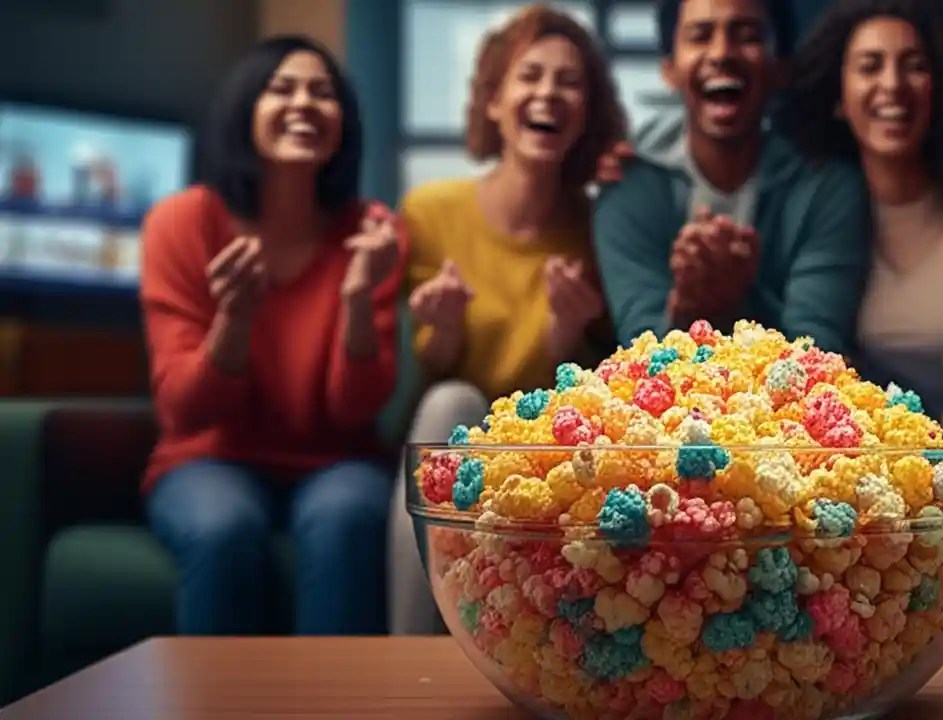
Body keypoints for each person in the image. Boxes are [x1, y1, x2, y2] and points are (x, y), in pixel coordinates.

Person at [140, 36, 404, 635]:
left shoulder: (372, 232)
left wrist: (357, 299)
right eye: (282, 89)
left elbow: (353, 409)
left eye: (323, 93)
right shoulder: (181, 223)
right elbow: (183, 411)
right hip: (209, 457)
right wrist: (233, 321)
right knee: (221, 528)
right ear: (245, 109)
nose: (304, 104)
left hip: (337, 460)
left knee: (348, 517)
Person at [388, 4, 625, 635]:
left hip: (546, 464)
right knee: (449, 399)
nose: (548, 93)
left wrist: (564, 339)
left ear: (588, 114)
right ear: (494, 101)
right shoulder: (431, 212)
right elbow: (423, 384)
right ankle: (410, 663)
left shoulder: (601, 230)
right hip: (452, 440)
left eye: (568, 82)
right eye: (531, 76)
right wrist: (440, 335)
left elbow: (586, 409)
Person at [776, 0, 943, 415]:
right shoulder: (814, 216)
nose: (893, 84)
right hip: (872, 454)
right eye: (870, 66)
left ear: (940, 85)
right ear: (837, 97)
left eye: (915, 65)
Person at [593, 0, 870, 355]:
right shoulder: (627, 184)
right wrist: (687, 313)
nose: (722, 52)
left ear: (780, 67)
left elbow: (819, 353)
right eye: (700, 35)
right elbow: (640, 352)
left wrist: (737, 302)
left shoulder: (826, 187)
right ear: (669, 69)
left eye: (747, 35)